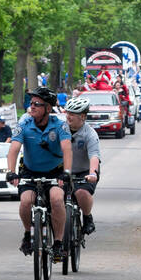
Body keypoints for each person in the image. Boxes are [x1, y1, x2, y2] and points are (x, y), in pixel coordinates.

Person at [5, 86, 72, 261]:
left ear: (48, 109)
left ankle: (58, 243)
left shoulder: (60, 125)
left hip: (55, 171)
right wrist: (11, 172)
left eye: (37, 104)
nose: (32, 106)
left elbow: (67, 148)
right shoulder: (24, 123)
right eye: (31, 103)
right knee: (26, 202)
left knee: (57, 200)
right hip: (29, 171)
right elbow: (14, 149)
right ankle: (28, 234)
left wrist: (66, 172)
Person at [62, 96, 101, 236]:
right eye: (67, 113)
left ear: (83, 117)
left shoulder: (90, 134)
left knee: (81, 193)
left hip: (84, 171)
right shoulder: (60, 128)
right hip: (63, 171)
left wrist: (92, 173)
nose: (68, 116)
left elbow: (94, 155)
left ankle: (87, 217)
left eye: (72, 114)